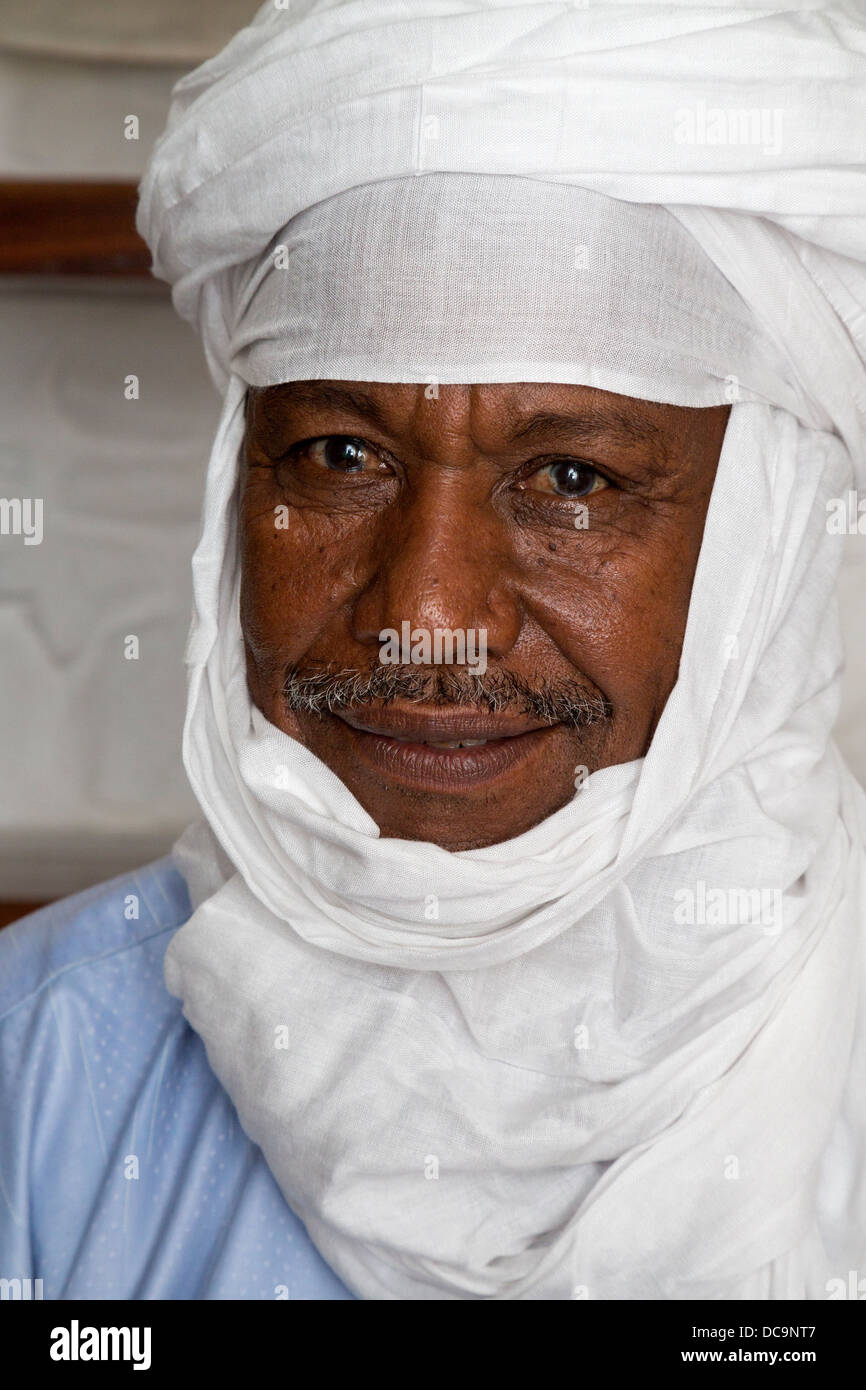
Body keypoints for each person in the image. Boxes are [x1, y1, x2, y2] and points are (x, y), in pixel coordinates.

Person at [2, 0, 865, 1301]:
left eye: (571, 476)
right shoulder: (39, 1062)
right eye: (340, 455)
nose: (430, 612)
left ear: (776, 539)